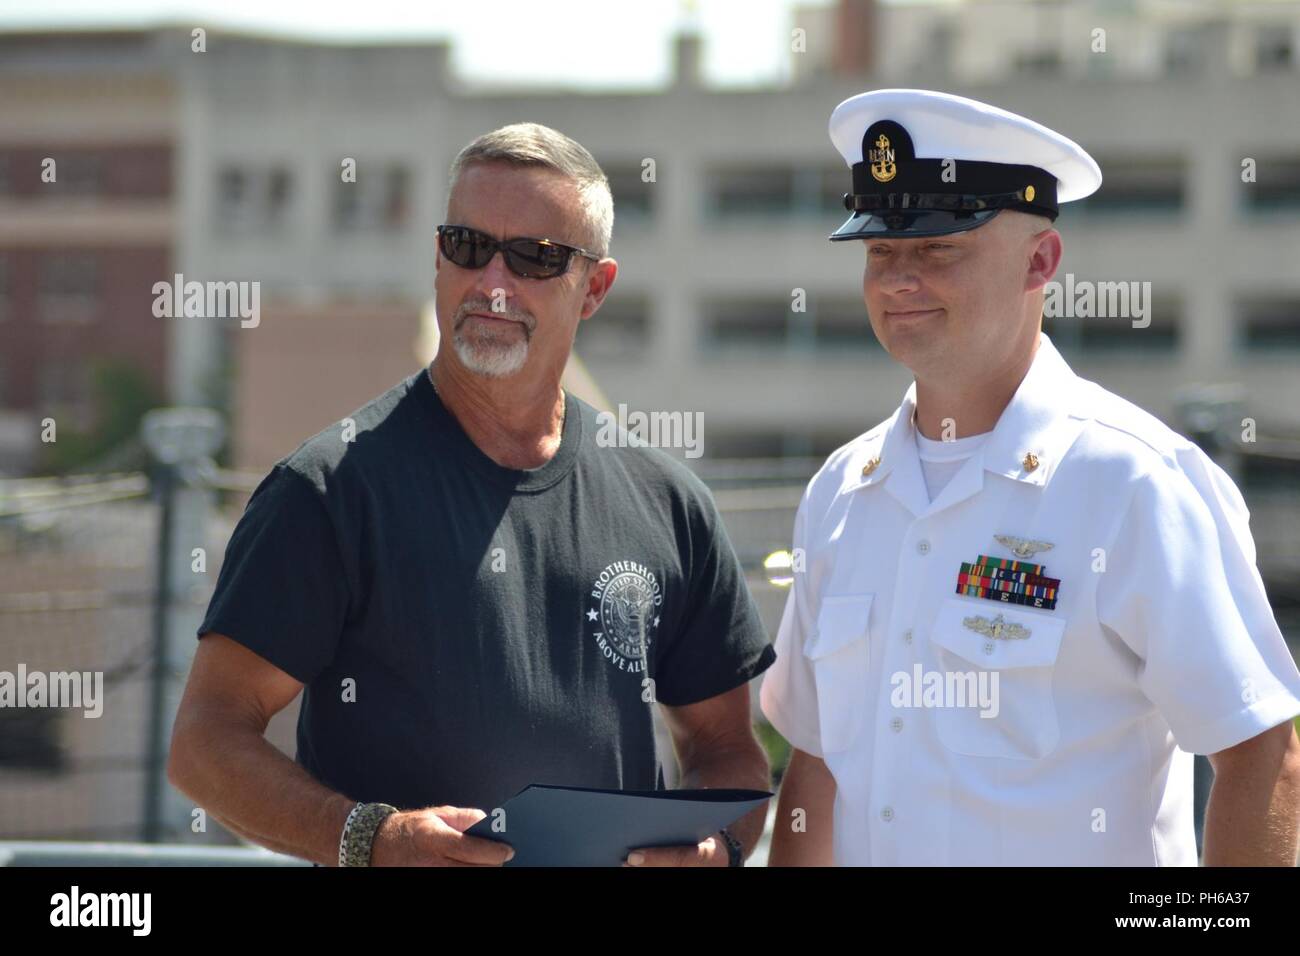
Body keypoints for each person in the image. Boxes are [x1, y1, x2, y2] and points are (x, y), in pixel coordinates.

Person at [169, 123, 774, 867]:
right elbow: (204, 743)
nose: (493, 281)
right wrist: (372, 840)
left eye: (535, 258)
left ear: (596, 288)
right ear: (436, 257)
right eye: (467, 245)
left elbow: (726, 749)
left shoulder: (668, 502)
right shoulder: (329, 490)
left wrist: (714, 851)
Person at [760, 89, 1300, 866]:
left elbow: (1260, 755)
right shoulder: (842, 492)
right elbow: (815, 762)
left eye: (938, 248)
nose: (897, 280)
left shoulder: (1134, 483)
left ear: (1040, 261)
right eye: (880, 250)